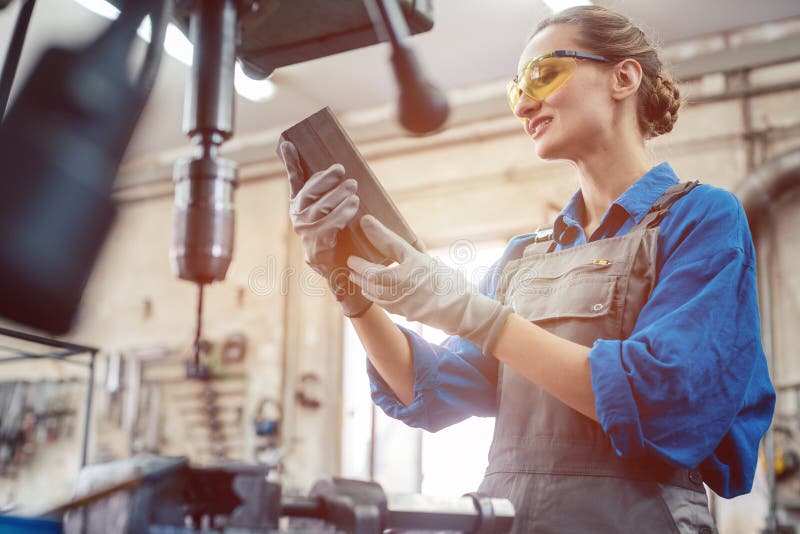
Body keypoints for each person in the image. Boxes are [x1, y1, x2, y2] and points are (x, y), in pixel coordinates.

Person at [278, 5, 775, 532]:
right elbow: (430, 390)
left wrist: (479, 317)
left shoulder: (701, 218)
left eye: (543, 75)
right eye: (516, 89)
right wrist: (349, 287)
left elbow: (665, 400)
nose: (524, 104)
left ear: (623, 77)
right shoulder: (524, 256)